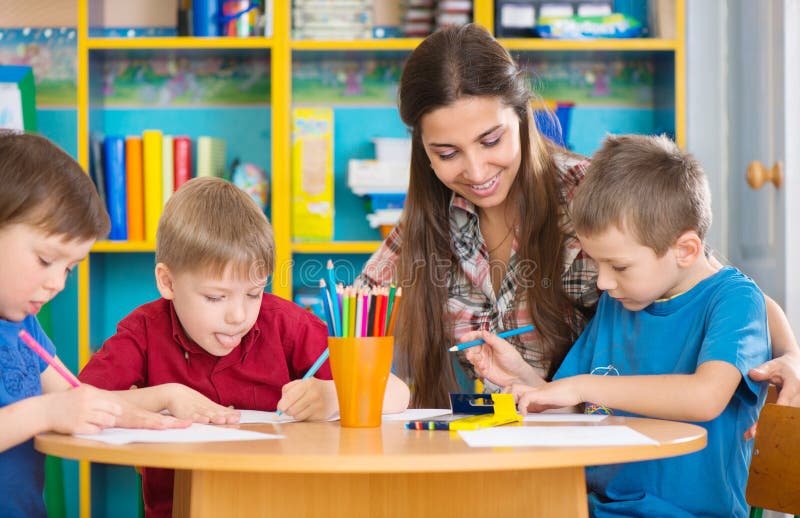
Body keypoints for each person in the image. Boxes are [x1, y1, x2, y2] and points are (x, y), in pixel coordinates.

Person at [357, 23, 800, 410]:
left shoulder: (593, 196)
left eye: (491, 141)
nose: (475, 171)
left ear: (522, 115)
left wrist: (792, 356)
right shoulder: (429, 218)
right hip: (506, 439)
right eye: (447, 153)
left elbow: (718, 290)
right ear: (423, 150)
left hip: (607, 449)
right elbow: (354, 313)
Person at [471, 134, 768, 517]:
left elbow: (705, 397)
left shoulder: (734, 300)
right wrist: (527, 380)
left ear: (685, 250)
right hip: (595, 507)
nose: (603, 282)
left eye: (619, 266)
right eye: (597, 263)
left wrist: (581, 386)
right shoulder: (620, 301)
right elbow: (576, 406)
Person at [79, 176, 410, 517]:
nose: (238, 316)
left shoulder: (286, 324)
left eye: (253, 293)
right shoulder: (145, 330)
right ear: (168, 282)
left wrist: (332, 396)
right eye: (215, 297)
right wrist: (165, 397)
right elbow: (77, 403)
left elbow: (398, 393)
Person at [0, 132, 231, 518]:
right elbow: (57, 407)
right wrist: (45, 413)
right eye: (45, 260)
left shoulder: (24, 326)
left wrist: (165, 396)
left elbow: (79, 398)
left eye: (69, 268)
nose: (57, 283)